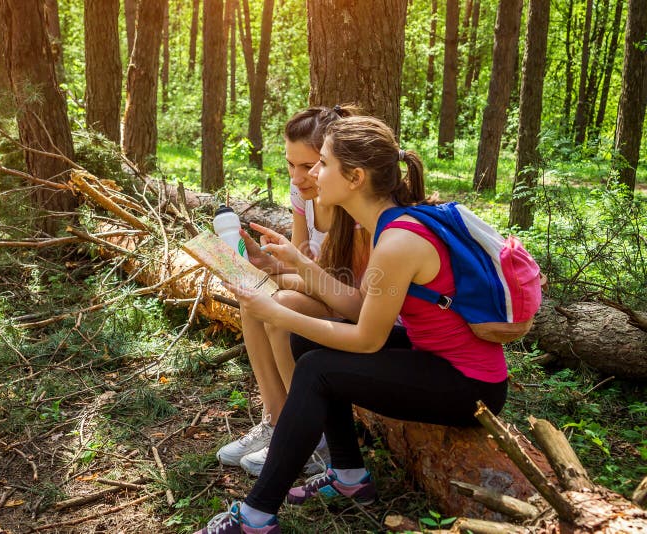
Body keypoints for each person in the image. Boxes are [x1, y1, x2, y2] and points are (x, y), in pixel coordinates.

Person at [196, 116, 509, 533]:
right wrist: (296, 261)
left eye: (321, 164)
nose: (312, 175)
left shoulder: (397, 241)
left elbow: (365, 339)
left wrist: (278, 313)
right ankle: (349, 478)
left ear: (356, 177)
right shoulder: (391, 224)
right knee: (309, 350)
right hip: (436, 359)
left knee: (316, 367)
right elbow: (361, 304)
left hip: (470, 385)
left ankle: (254, 517)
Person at [216, 106, 370, 477]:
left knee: (277, 302)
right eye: (291, 165)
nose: (300, 178)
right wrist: (265, 264)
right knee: (252, 298)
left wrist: (280, 276)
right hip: (322, 294)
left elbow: (346, 291)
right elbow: (302, 263)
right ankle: (278, 420)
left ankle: (311, 435)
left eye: (309, 166)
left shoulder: (356, 206)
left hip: (356, 308)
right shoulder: (303, 196)